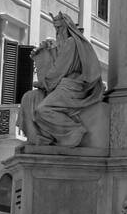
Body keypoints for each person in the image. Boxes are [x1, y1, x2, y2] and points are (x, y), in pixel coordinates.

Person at [19, 13, 103, 148]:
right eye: (55, 28)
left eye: (59, 28)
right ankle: (41, 137)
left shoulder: (71, 43)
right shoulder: (66, 44)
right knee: (30, 98)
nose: (57, 32)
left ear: (67, 27)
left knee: (43, 110)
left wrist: (44, 83)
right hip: (62, 84)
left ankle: (73, 131)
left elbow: (59, 69)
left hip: (72, 85)